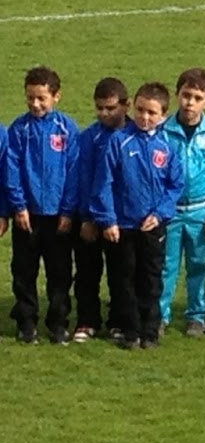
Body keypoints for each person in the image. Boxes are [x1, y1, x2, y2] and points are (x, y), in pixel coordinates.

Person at [93, 83, 184, 351]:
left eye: (152, 113)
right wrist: (108, 219)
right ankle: (131, 331)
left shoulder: (168, 147)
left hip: (152, 226)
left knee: (152, 279)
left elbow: (175, 185)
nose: (145, 118)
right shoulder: (119, 141)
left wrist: (161, 213)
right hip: (123, 225)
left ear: (164, 114)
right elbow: (104, 183)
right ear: (133, 106)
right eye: (141, 110)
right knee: (125, 279)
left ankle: (150, 330)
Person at [6, 66, 78, 345]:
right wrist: (19, 206)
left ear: (56, 97)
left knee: (60, 273)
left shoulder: (67, 128)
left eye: (41, 98)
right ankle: (26, 322)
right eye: (30, 98)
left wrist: (68, 210)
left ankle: (58, 323)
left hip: (59, 217)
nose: (35, 104)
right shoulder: (19, 129)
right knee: (24, 272)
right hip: (28, 216)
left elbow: (73, 173)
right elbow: (11, 169)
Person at [159, 67, 205, 338]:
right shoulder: (164, 131)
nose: (190, 102)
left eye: (197, 97)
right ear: (177, 95)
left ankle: (197, 315)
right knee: (166, 266)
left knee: (199, 265)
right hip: (170, 211)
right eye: (186, 95)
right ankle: (159, 314)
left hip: (200, 211)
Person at [67, 77, 129, 344]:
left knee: (121, 273)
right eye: (100, 108)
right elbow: (83, 179)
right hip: (92, 219)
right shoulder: (88, 138)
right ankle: (87, 320)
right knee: (87, 272)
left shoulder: (133, 137)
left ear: (125, 106)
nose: (104, 113)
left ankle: (118, 321)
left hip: (123, 220)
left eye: (110, 108)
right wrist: (89, 217)